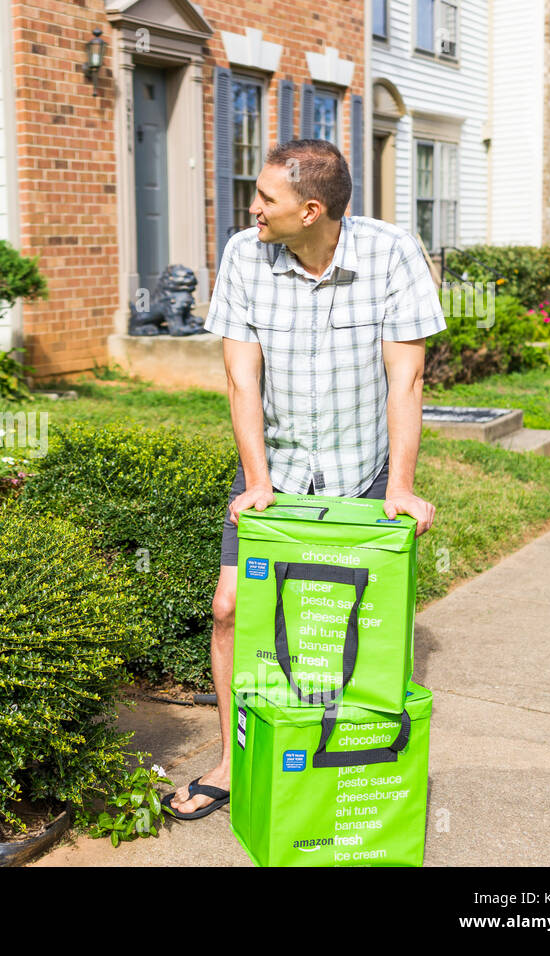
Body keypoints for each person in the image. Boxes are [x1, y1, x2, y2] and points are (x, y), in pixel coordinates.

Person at [164, 138, 446, 818]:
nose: (252, 208)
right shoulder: (244, 254)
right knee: (231, 607)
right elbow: (241, 376)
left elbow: (405, 378)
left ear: (311, 210)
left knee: (345, 623)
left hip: (363, 466)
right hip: (278, 465)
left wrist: (400, 486)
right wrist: (257, 479)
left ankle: (337, 755)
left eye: (266, 199)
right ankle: (234, 760)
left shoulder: (390, 254)